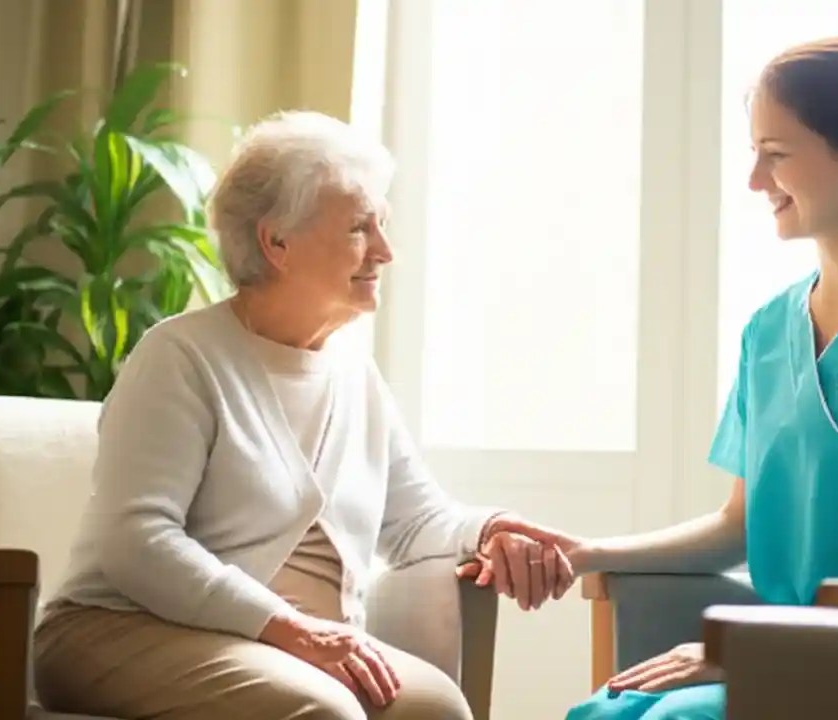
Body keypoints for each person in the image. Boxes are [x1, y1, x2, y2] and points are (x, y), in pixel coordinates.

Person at [475, 36, 838, 720]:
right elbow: (740, 523)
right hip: (803, 660)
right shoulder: (770, 330)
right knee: (606, 714)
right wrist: (588, 552)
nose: (753, 182)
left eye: (775, 156)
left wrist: (758, 647)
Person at [32, 110, 574, 720]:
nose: (385, 251)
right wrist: (288, 628)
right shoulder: (180, 357)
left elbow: (414, 520)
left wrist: (492, 529)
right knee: (325, 714)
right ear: (276, 242)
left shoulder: (354, 375)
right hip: (120, 630)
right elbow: (138, 543)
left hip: (279, 647)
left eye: (383, 226)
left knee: (437, 709)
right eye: (358, 228)